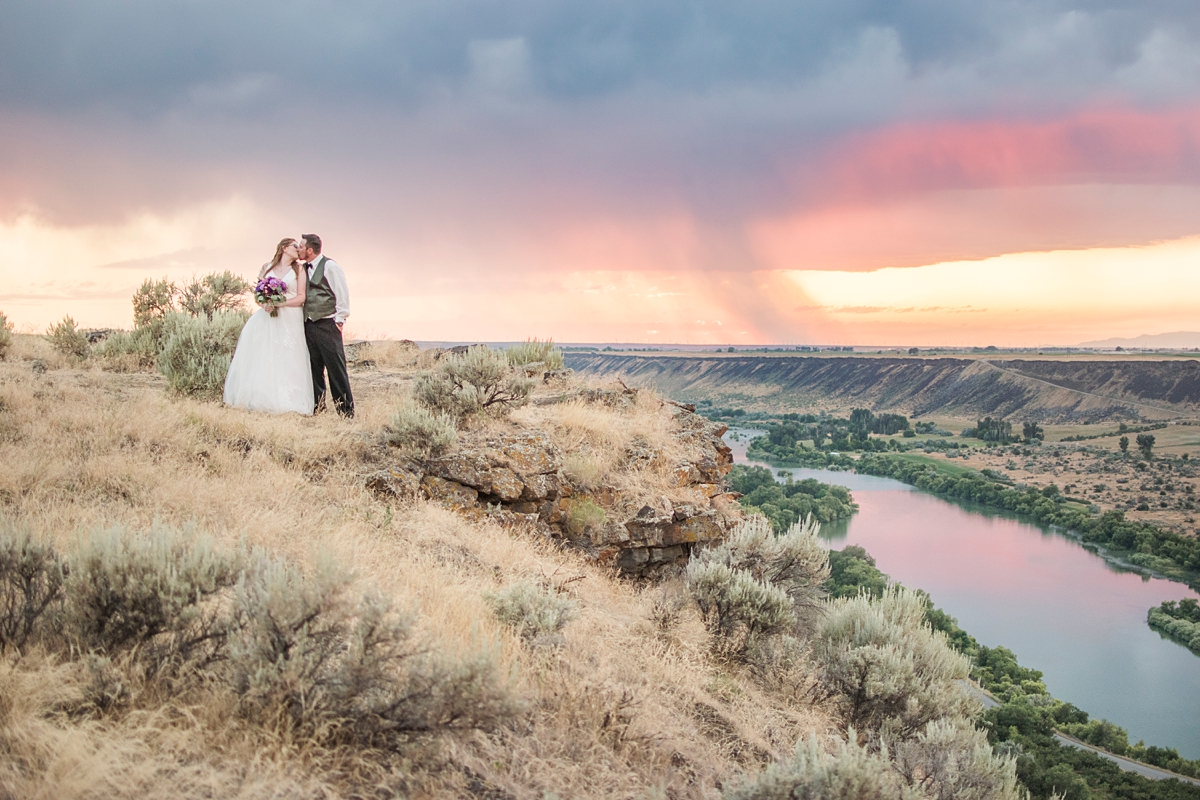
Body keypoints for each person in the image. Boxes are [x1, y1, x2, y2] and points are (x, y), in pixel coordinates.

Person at [222, 238, 316, 415]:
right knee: (265, 354)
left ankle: (290, 400)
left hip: (289, 317)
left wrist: (281, 303)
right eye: (295, 246)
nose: (298, 249)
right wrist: (264, 303)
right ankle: (261, 397)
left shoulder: (299, 269)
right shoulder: (267, 268)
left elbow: (301, 297)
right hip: (267, 316)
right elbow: (258, 294)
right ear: (284, 248)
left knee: (288, 356)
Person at [297, 233, 354, 417]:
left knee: (335, 369)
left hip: (328, 324)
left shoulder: (330, 266)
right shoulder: (302, 269)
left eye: (301, 246)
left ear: (310, 250)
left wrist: (339, 320)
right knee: (314, 369)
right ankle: (318, 409)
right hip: (309, 324)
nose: (299, 249)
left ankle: (346, 411)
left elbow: (342, 293)